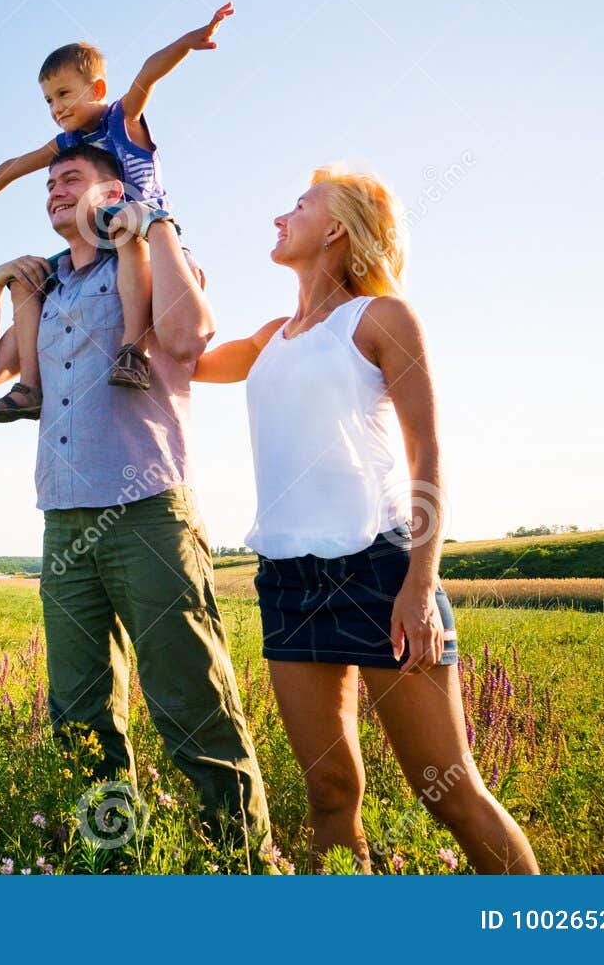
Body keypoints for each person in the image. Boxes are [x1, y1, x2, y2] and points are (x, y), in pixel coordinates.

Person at [193, 165, 539, 874]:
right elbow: (181, 359)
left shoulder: (381, 319)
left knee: (450, 792)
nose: (279, 217)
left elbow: (428, 451)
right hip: (287, 581)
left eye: (298, 204)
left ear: (336, 229)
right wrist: (162, 254)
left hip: (382, 573)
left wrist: (420, 584)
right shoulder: (269, 339)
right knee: (329, 793)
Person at [0, 143, 271, 861]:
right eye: (46, 185)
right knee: (80, 716)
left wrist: (149, 225)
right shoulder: (50, 289)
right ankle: (114, 862)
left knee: (192, 702)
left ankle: (245, 865)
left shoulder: (152, 258)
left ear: (110, 190)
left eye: (69, 178)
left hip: (148, 510)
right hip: (62, 520)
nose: (52, 192)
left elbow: (192, 336)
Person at [0, 2, 234, 418]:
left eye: (63, 94)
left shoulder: (121, 119)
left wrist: (188, 41)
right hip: (98, 241)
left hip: (144, 230)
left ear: (96, 89)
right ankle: (30, 388)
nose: (56, 108)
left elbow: (148, 72)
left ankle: (132, 348)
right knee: (29, 278)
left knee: (123, 230)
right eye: (48, 101)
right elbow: (13, 166)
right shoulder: (67, 145)